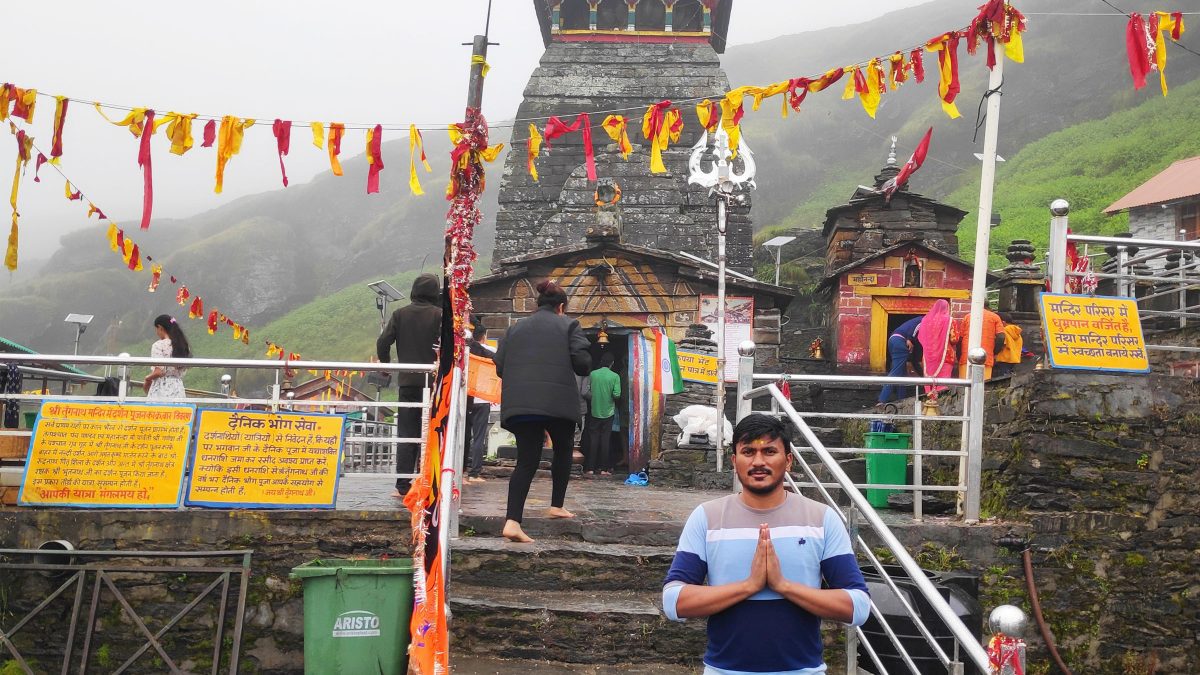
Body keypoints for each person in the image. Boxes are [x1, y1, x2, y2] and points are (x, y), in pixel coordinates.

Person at [662, 414, 869, 673]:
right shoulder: (707, 517)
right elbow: (673, 601)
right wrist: (749, 586)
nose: (758, 461)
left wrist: (784, 586)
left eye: (769, 451)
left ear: (789, 461)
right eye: (748, 451)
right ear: (734, 461)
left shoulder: (821, 519)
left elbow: (858, 606)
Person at [493, 280, 592, 544]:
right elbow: (583, 365)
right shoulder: (569, 325)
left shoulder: (514, 330)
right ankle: (556, 505)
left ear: (537, 304)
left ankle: (513, 521)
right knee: (563, 449)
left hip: (521, 404)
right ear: (561, 307)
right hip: (558, 402)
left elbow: (500, 367)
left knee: (526, 461)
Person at [376, 273, 442, 496]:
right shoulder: (439, 316)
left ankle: (402, 485)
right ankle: (429, 480)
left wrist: (387, 365)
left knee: (407, 432)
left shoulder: (399, 314)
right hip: (434, 384)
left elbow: (383, 342)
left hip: (407, 383)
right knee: (433, 431)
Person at [464, 316, 494, 484]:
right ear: (484, 336)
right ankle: (474, 473)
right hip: (482, 399)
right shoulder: (489, 351)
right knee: (479, 437)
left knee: (464, 435)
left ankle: (461, 470)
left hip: (466, 397)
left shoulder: (462, 349)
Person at [584, 352, 621, 477]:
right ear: (612, 363)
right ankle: (604, 469)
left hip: (594, 411)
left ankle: (590, 468)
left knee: (593, 439)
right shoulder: (615, 376)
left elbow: (587, 391)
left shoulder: (593, 374)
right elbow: (617, 394)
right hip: (608, 412)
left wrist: (593, 398)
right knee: (605, 440)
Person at [877, 315, 923, 405]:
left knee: (902, 373)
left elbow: (914, 361)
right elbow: (915, 328)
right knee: (896, 372)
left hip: (893, 340)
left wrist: (923, 378)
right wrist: (909, 339)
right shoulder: (924, 320)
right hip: (900, 341)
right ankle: (882, 400)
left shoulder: (916, 338)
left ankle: (901, 400)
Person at [144, 314, 191, 400]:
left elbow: (159, 371)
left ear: (160, 327)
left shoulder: (158, 345)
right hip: (178, 387)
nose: (157, 332)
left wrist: (147, 378)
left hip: (161, 388)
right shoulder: (183, 346)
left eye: (156, 329)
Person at [918, 299, 957, 399]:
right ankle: (940, 404)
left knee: (928, 383)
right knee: (942, 384)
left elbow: (921, 337)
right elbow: (954, 339)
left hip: (928, 357)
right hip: (945, 356)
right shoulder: (950, 320)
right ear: (947, 308)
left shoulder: (925, 320)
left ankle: (927, 404)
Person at [956, 305, 1006, 380]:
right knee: (983, 385)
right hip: (986, 357)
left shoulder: (968, 316)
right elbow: (1001, 337)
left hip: (966, 356)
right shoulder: (995, 317)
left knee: (964, 386)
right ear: (989, 307)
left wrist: (959, 355)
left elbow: (960, 338)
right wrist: (994, 352)